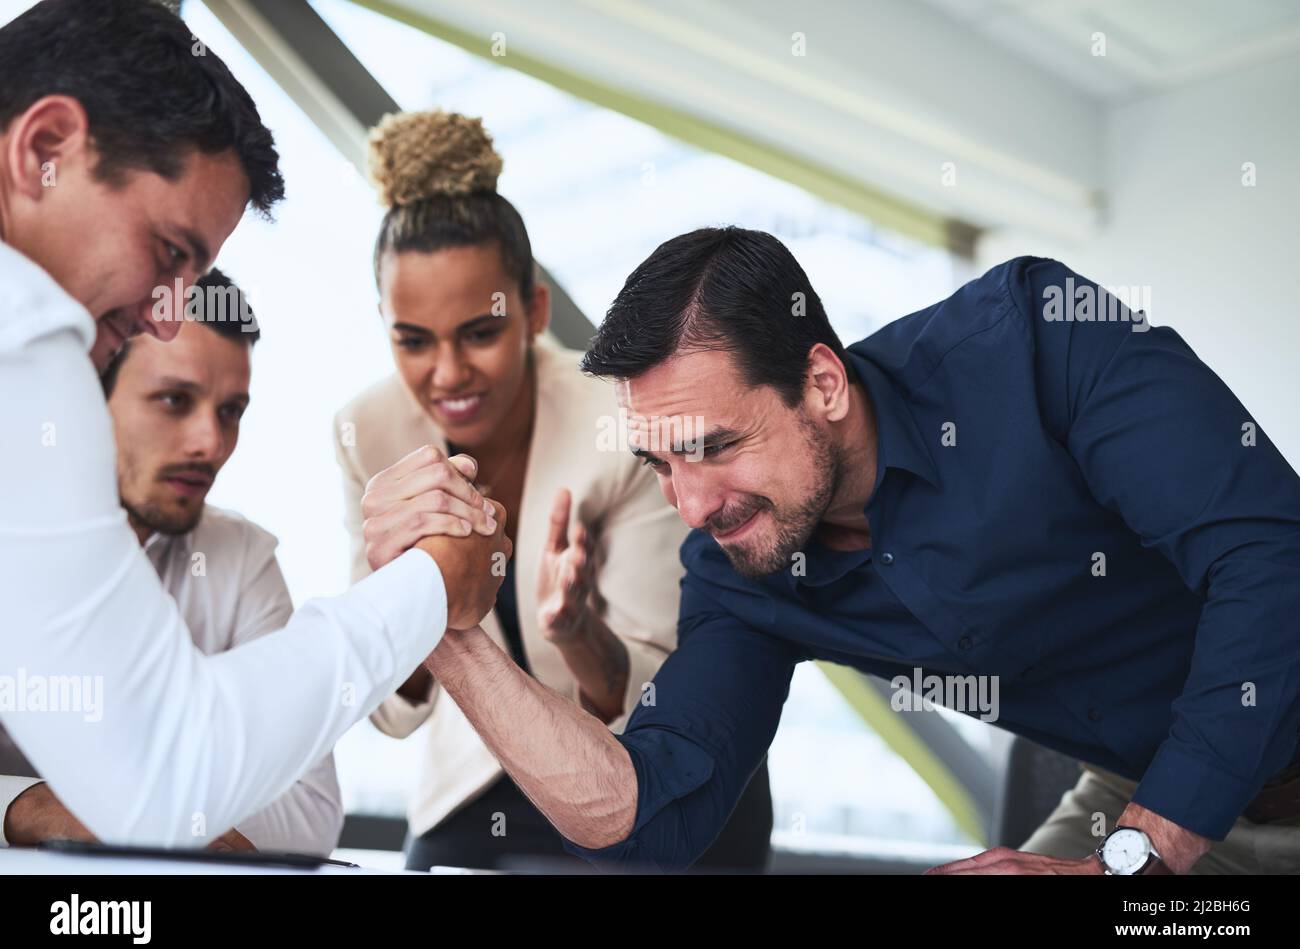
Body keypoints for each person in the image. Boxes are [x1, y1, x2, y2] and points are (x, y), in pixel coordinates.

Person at [370, 226, 1300, 874]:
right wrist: (451, 632)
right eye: (659, 463)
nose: (692, 505)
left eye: (716, 447)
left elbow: (1272, 564)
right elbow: (646, 817)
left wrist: (1129, 865)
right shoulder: (741, 569)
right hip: (1144, 793)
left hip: (1185, 796)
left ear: (821, 382)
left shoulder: (1037, 339)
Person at [0, 0, 505, 847]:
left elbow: (288, 817)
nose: (166, 317)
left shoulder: (235, 555)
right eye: (168, 253)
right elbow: (164, 767)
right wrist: (429, 585)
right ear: (44, 149)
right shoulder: (27, 341)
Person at [334, 111, 772, 871]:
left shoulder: (623, 424)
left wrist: (576, 633)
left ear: (533, 312)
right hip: (477, 777)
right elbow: (392, 712)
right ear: (384, 325)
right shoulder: (367, 430)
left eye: (479, 332)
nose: (447, 374)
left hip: (634, 762)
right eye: (413, 340)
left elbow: (655, 696)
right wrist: (397, 594)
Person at [1, 271, 343, 856]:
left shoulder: (241, 559)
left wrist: (126, 809)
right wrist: (27, 806)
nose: (210, 443)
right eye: (174, 400)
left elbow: (310, 811)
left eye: (231, 410)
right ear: (86, 391)